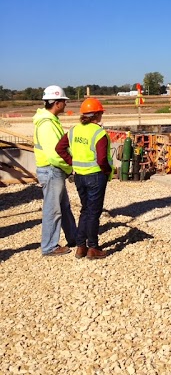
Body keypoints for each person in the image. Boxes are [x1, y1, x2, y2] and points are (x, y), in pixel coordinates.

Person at [55, 97, 110, 259]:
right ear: (97, 115)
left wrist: (72, 162)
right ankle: (93, 248)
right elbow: (102, 159)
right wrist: (106, 171)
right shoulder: (99, 133)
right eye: (100, 113)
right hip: (96, 176)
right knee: (93, 212)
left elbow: (59, 148)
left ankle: (81, 247)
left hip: (79, 176)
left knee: (85, 210)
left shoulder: (74, 130)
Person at [32, 85, 78, 256]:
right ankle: (49, 246)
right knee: (53, 209)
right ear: (57, 103)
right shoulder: (47, 124)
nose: (65, 104)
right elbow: (54, 154)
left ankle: (74, 237)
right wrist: (70, 167)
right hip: (51, 170)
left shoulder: (50, 120)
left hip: (53, 170)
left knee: (63, 206)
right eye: (64, 101)